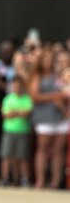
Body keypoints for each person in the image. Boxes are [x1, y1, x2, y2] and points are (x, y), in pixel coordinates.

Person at [29, 48, 68, 189]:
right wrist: (54, 96)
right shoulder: (37, 76)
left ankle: (55, 182)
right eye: (45, 59)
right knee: (43, 149)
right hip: (44, 116)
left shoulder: (60, 75)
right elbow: (35, 96)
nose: (48, 62)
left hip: (61, 116)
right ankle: (40, 180)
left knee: (58, 150)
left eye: (51, 59)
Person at [0, 76, 33, 187]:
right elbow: (6, 115)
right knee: (6, 156)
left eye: (19, 85)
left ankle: (24, 179)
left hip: (23, 130)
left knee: (22, 157)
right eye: (15, 85)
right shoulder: (8, 99)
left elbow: (27, 113)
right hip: (9, 130)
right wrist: (19, 113)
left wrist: (14, 113)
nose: (17, 87)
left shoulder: (27, 99)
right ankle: (6, 178)